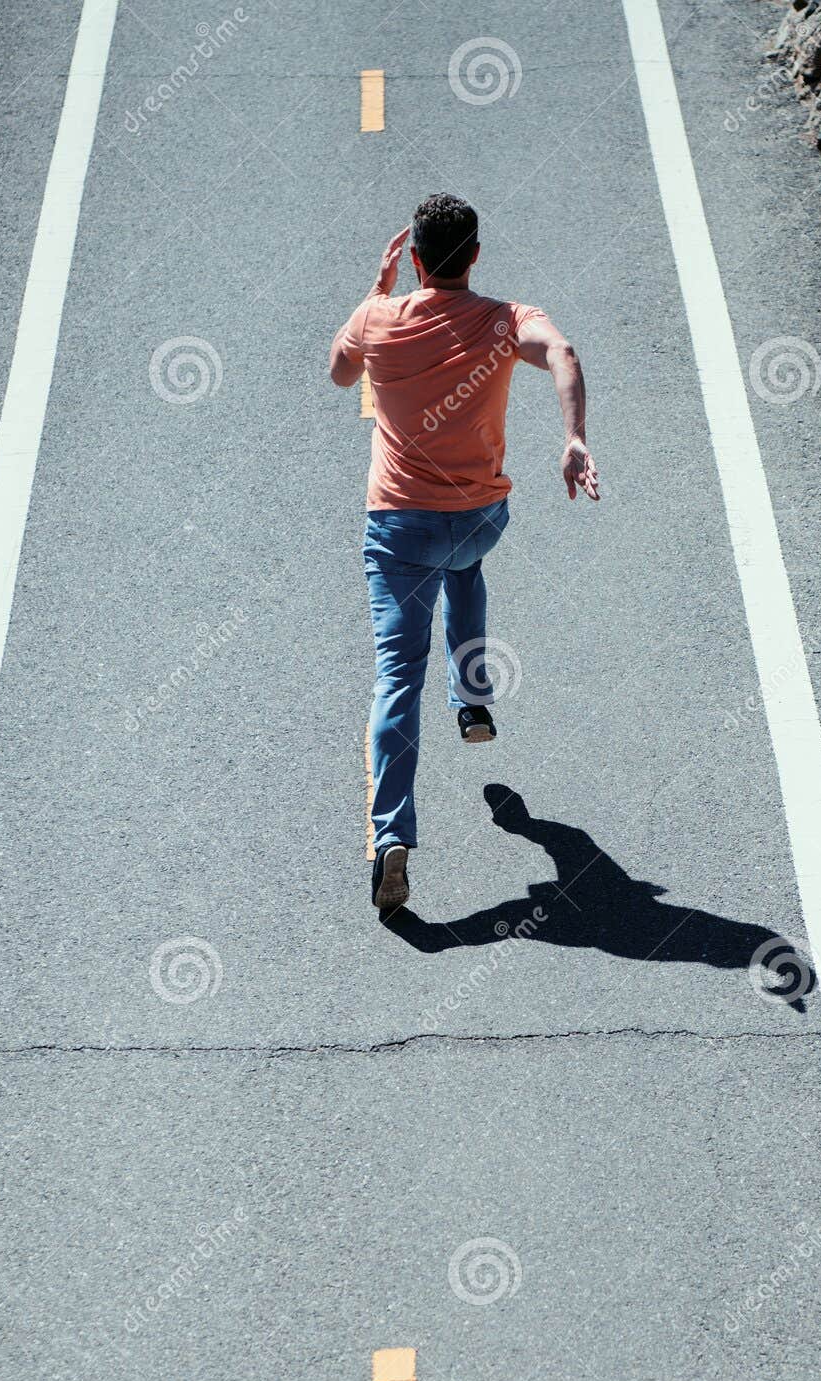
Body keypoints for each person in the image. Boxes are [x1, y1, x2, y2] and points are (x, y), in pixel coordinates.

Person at [329, 192, 599, 916]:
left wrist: (375, 293)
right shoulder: (507, 320)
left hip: (399, 529)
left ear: (415, 258)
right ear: (474, 255)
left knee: (395, 674)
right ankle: (473, 698)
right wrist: (573, 439)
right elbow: (564, 354)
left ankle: (392, 837)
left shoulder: (378, 319)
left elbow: (338, 372)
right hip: (479, 516)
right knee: (465, 567)